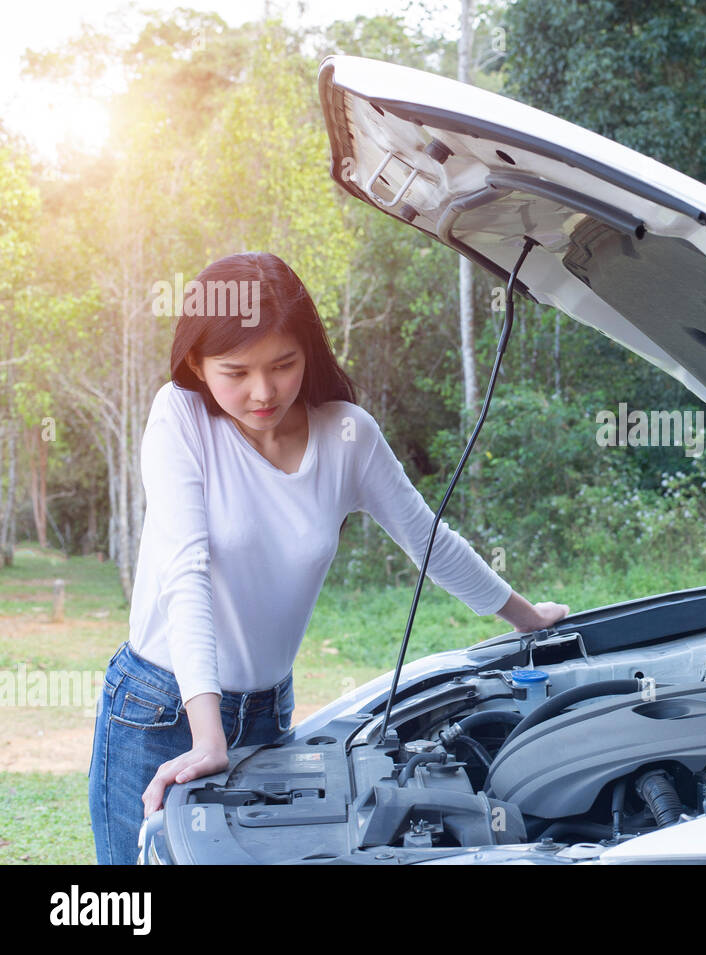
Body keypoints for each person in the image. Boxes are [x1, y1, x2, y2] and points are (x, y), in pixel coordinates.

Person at [88, 251, 567, 864]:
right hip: (159, 710)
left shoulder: (347, 435)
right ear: (195, 364)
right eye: (236, 371)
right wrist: (208, 735)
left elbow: (429, 540)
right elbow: (188, 572)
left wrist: (527, 619)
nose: (263, 392)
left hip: (266, 713)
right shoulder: (179, 417)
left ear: (309, 353)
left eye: (283, 365)